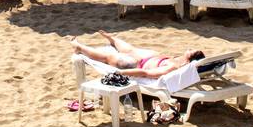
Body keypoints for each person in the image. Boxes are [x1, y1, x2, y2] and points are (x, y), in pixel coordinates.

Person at [72, 32, 204, 78]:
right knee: (131, 49)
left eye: (191, 50)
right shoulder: (177, 60)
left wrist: (122, 73)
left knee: (108, 58)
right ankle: (113, 40)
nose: (189, 48)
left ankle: (79, 47)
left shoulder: (173, 67)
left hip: (138, 64)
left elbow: (145, 73)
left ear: (189, 59)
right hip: (147, 58)